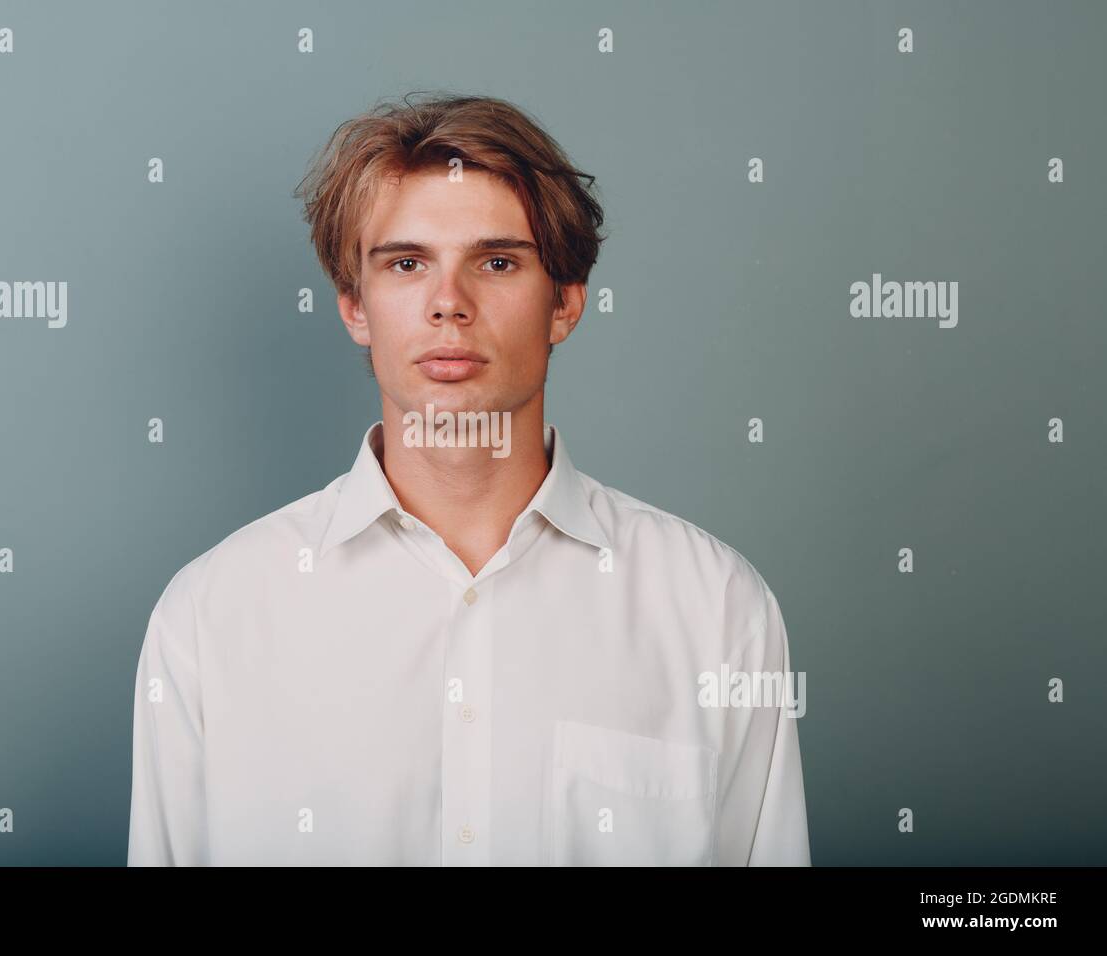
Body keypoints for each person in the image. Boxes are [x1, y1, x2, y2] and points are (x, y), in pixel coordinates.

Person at [127, 91, 810, 866]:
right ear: (354, 305)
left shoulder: (716, 611)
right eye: (407, 263)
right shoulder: (209, 619)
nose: (449, 304)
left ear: (565, 303)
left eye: (497, 262)